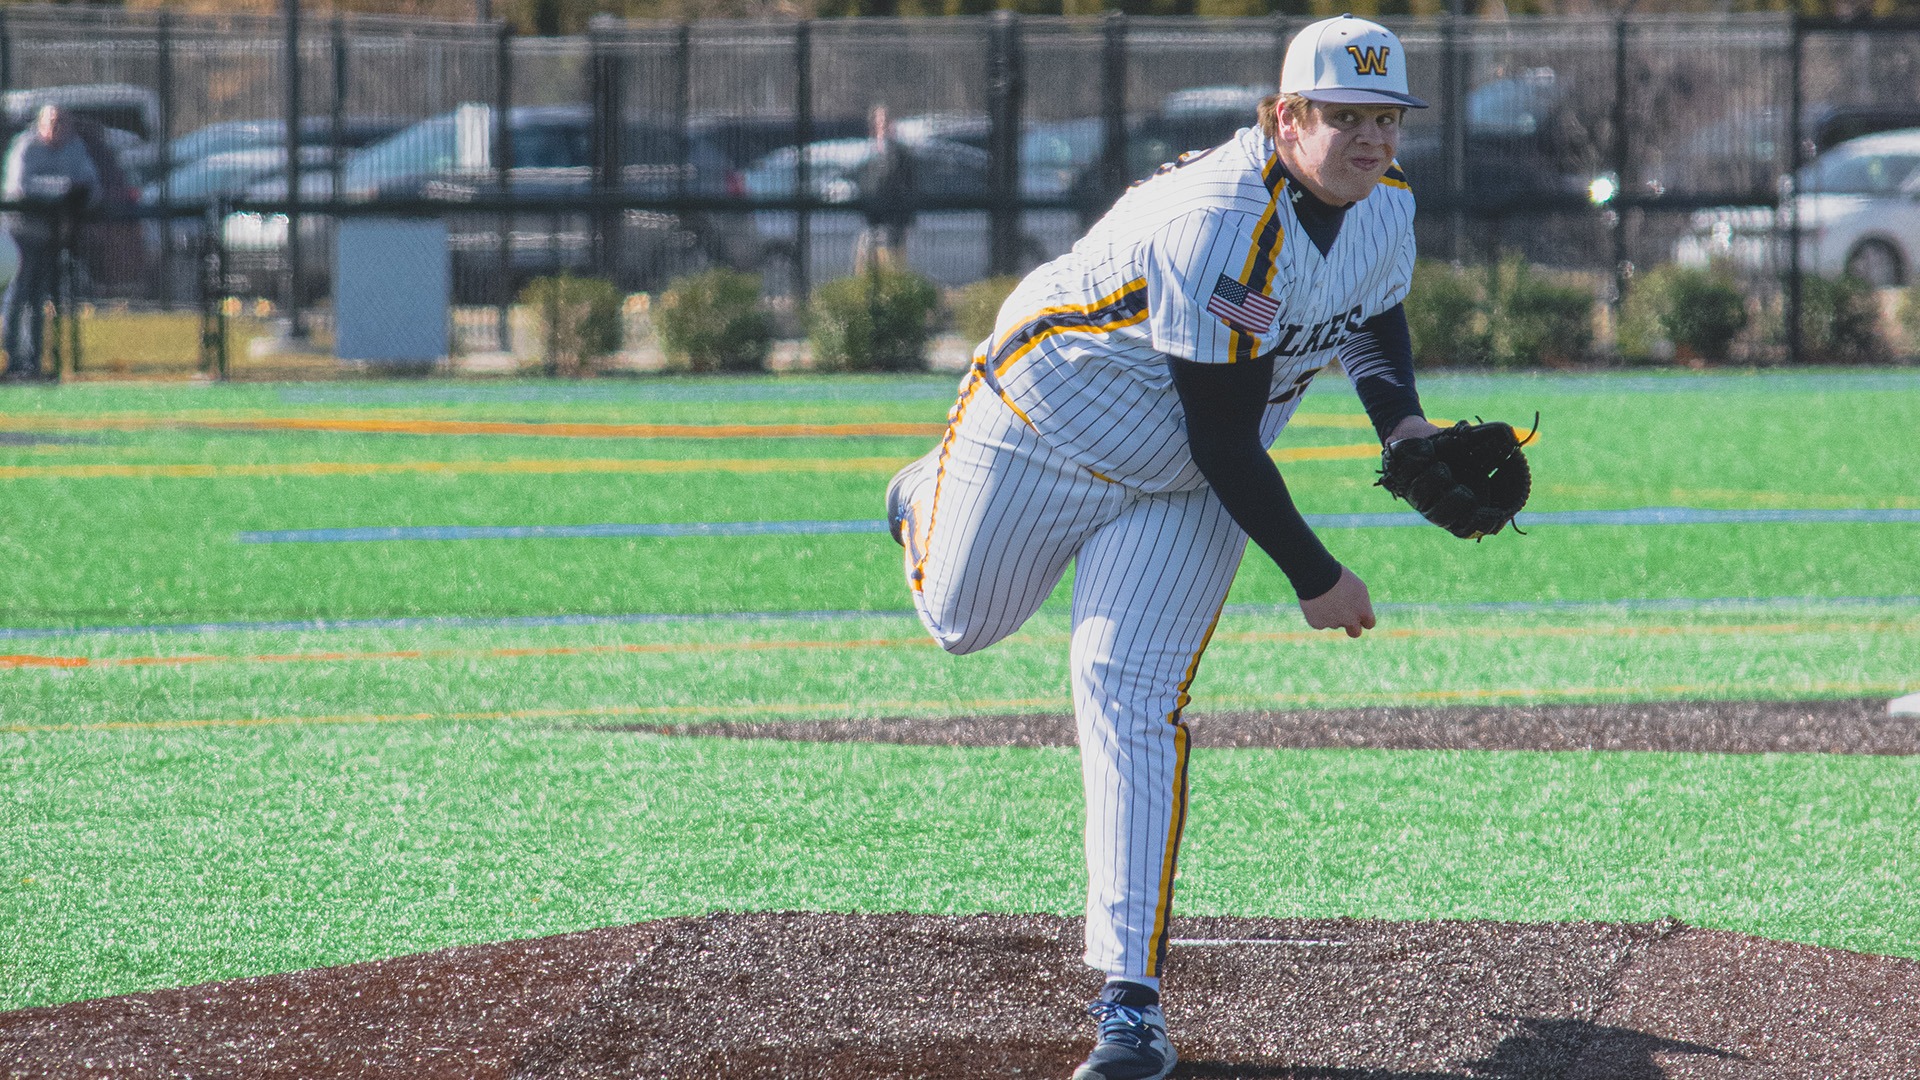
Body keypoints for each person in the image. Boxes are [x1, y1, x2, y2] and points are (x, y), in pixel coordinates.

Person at [885, 17, 1450, 1080]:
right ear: (1283, 119)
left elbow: (1369, 313)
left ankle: (1130, 1003)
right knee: (962, 623)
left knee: (1128, 695)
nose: (1370, 139)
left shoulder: (1385, 203)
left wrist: (1402, 425)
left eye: (1385, 117)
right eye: (1343, 117)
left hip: (1185, 484)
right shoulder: (1217, 221)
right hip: (1044, 429)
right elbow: (1224, 436)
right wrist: (1316, 576)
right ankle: (925, 495)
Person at [2, 105, 101, 380]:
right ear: (41, 124)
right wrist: (61, 189)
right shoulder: (26, 146)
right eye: (53, 123)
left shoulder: (75, 149)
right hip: (19, 236)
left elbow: (91, 187)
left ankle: (33, 362)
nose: (58, 129)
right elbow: (20, 188)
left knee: (38, 298)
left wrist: (68, 192)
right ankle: (12, 361)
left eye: (63, 123)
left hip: (50, 236)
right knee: (18, 295)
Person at [854, 103, 916, 269]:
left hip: (894, 219)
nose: (881, 123)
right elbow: (861, 181)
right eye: (878, 120)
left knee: (891, 263)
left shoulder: (902, 154)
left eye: (885, 120)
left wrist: (908, 220)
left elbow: (910, 186)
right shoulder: (867, 151)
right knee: (866, 259)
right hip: (871, 218)